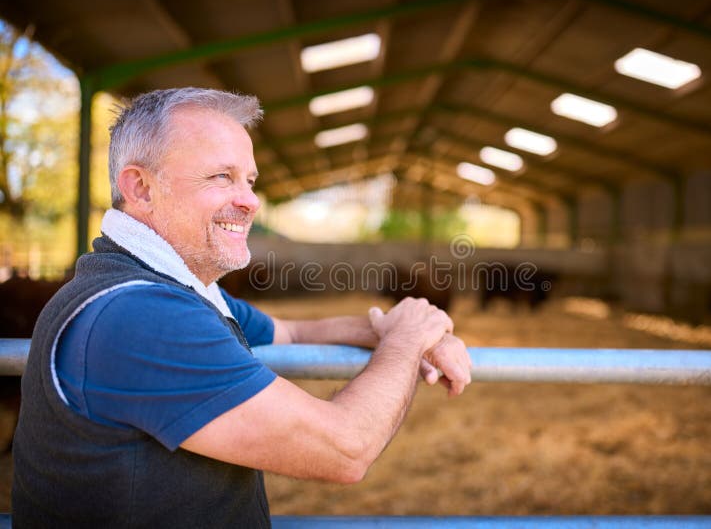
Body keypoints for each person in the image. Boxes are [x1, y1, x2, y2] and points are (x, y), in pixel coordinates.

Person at [12, 88, 472, 528]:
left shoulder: (177, 290)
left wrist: (403, 327)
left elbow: (290, 333)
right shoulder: (140, 316)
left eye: (249, 181)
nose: (250, 201)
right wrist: (407, 341)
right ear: (141, 188)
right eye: (221, 177)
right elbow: (346, 448)